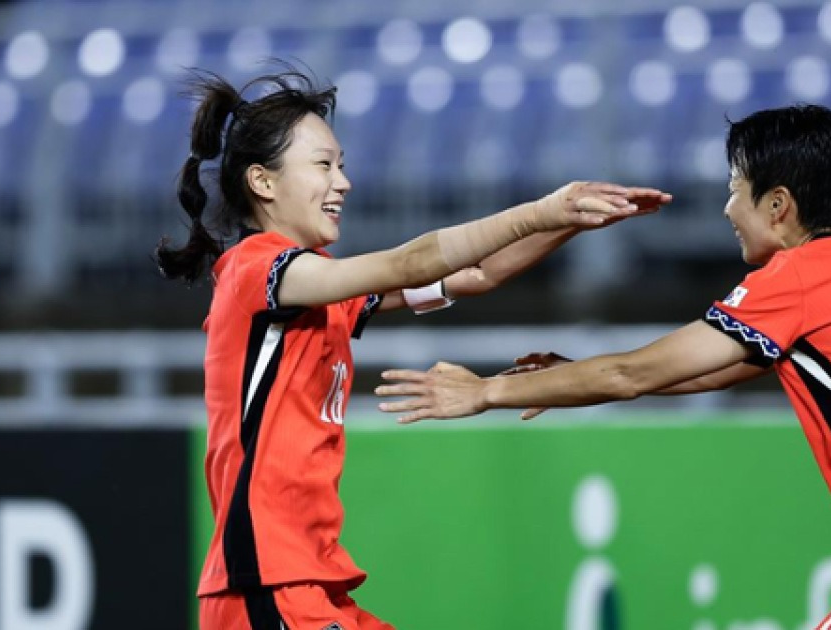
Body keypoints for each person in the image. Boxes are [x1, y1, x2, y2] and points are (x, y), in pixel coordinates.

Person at [376, 104, 831, 629]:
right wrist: (564, 376)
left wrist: (485, 392)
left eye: (734, 191)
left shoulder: (799, 279)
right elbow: (697, 373)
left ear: (777, 205)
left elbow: (636, 372)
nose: (726, 210)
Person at [156, 66, 671, 630]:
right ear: (263, 181)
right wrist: (538, 211)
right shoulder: (257, 271)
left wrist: (568, 220)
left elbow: (474, 273)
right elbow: (412, 263)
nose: (343, 183)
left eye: (342, 165)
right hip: (266, 583)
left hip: (307, 582)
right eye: (324, 165)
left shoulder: (322, 286)